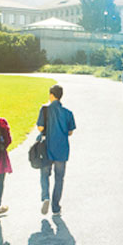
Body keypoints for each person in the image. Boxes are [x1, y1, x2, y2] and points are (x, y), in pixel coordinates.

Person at [37, 84, 77, 216]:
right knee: (59, 178)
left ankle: (46, 196)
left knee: (44, 174)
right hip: (62, 148)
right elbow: (70, 132)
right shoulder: (68, 113)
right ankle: (55, 206)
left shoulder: (44, 110)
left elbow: (41, 128)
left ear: (51, 95)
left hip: (47, 147)